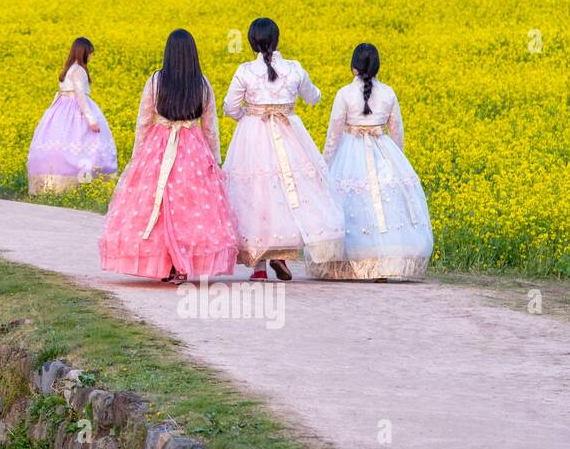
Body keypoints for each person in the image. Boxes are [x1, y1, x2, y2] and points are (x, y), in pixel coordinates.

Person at [99, 30, 239, 283]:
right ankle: (183, 264)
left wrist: (138, 156)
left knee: (160, 204)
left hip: (159, 146)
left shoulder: (156, 81)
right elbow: (210, 126)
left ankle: (166, 264)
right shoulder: (202, 84)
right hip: (193, 149)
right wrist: (214, 158)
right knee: (190, 207)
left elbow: (144, 120)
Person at [222, 17, 345, 280]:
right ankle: (280, 255)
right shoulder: (294, 68)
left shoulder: (245, 71)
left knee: (255, 194)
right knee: (289, 191)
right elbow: (313, 98)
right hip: (290, 134)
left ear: (251, 42)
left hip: (253, 134)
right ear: (277, 40)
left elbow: (230, 107)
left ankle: (259, 269)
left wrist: (248, 114)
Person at [316, 44, 433, 281]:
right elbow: (397, 130)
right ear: (377, 67)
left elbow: (333, 136)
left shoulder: (344, 94)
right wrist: (396, 160)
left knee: (353, 206)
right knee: (384, 207)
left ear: (353, 68)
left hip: (350, 152)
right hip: (383, 151)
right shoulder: (388, 93)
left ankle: (349, 265)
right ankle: (383, 264)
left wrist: (324, 166)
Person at [26, 37, 119, 195]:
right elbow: (80, 96)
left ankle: (50, 184)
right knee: (86, 144)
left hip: (61, 108)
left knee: (59, 145)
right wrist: (91, 121)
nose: (90, 57)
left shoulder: (68, 69)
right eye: (89, 53)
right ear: (83, 52)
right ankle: (85, 185)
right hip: (76, 110)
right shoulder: (79, 70)